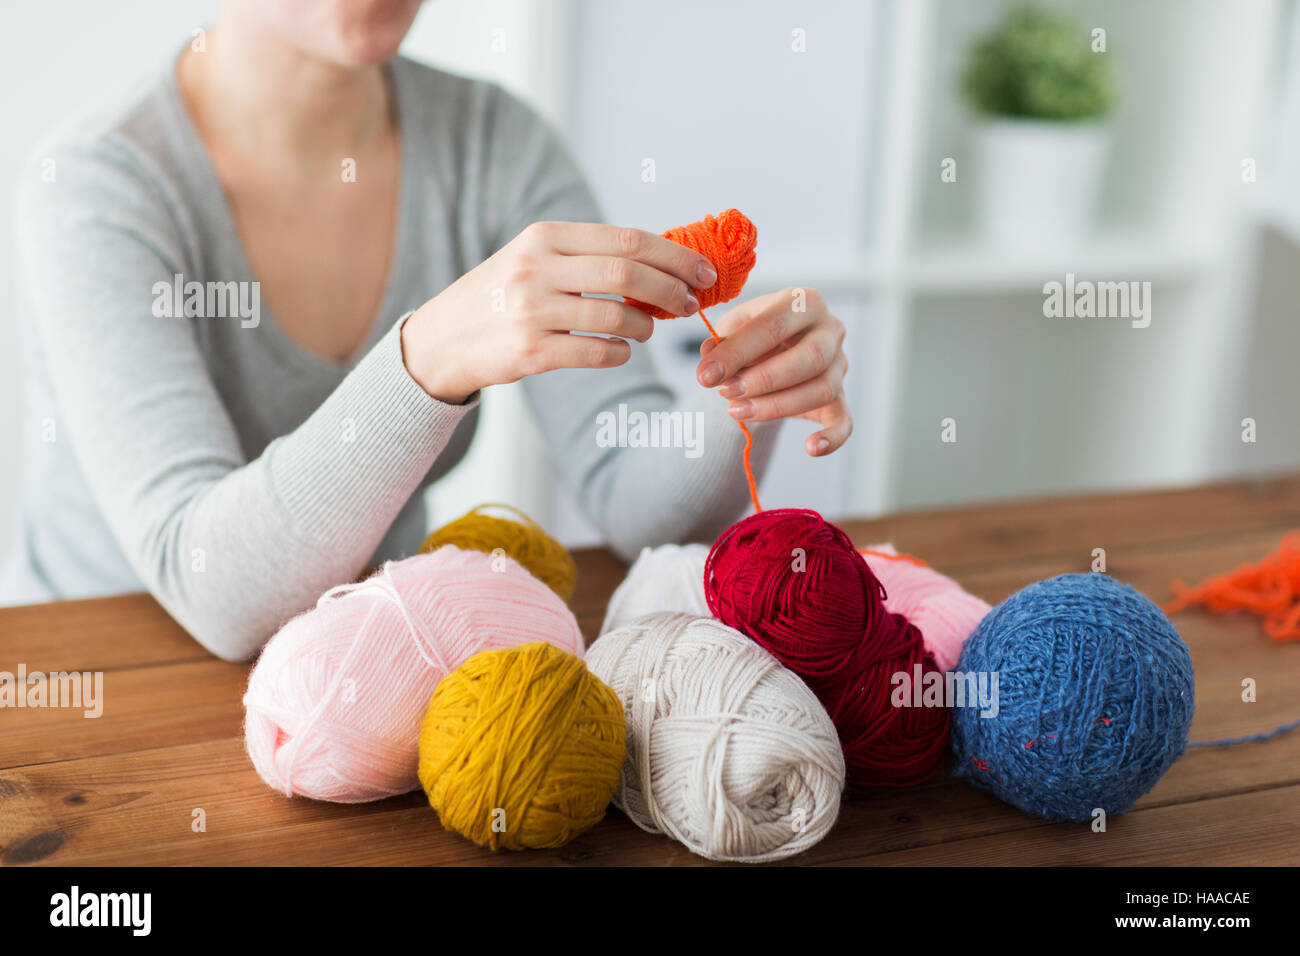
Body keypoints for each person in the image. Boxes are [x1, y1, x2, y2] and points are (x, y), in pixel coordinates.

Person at [1, 0, 851, 660]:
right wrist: (428, 356)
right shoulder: (95, 189)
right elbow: (216, 589)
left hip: (372, 658)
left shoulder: (495, 143)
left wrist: (746, 390)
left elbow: (635, 499)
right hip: (119, 682)